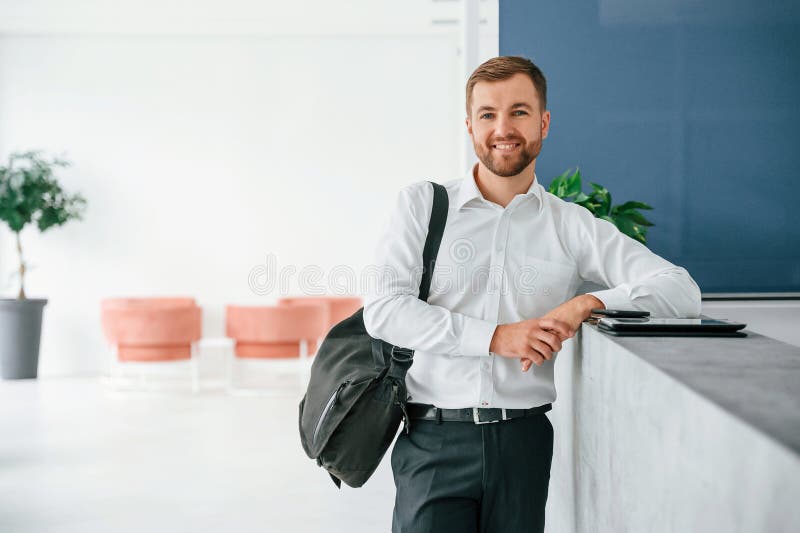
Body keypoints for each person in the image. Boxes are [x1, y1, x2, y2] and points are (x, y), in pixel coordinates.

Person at [363, 56, 701, 533]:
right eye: (488, 114)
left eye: (519, 112)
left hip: (522, 444)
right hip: (433, 441)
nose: (503, 128)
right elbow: (384, 310)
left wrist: (588, 303)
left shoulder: (571, 225)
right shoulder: (422, 205)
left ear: (543, 122)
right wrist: (497, 337)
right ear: (470, 126)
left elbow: (680, 289)